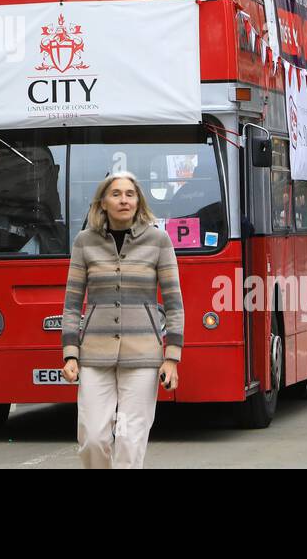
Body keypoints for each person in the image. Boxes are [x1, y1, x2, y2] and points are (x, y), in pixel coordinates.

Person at [60, 173, 182, 469]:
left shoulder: (158, 240)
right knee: (92, 437)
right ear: (103, 201)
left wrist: (172, 358)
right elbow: (73, 303)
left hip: (142, 357)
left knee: (129, 439)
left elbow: (174, 303)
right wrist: (70, 354)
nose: (124, 199)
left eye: (130, 193)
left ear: (138, 200)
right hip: (94, 356)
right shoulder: (84, 242)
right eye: (116, 194)